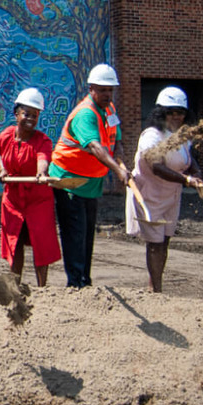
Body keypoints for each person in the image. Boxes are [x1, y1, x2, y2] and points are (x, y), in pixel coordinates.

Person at [49, 63, 129, 288]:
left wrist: (122, 163)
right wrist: (117, 170)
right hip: (69, 182)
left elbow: (116, 141)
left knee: (87, 233)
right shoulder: (86, 113)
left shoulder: (109, 110)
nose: (107, 94)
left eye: (110, 90)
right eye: (102, 89)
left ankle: (85, 279)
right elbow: (96, 147)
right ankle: (76, 284)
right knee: (75, 233)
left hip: (91, 182)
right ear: (91, 89)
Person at [127, 87, 203, 292]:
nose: (176, 116)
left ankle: (156, 285)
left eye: (180, 112)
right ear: (161, 112)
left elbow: (188, 159)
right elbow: (157, 167)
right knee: (154, 242)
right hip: (150, 194)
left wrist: (196, 172)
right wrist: (187, 180)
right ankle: (156, 289)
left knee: (165, 240)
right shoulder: (151, 136)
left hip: (172, 195)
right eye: (171, 112)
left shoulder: (181, 136)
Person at [0, 87, 61, 287]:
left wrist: (42, 173)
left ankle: (42, 287)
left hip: (37, 199)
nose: (31, 119)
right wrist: (2, 170)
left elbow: (43, 158)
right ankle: (15, 284)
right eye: (26, 114)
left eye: (35, 115)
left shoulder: (43, 141)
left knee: (41, 242)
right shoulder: (5, 136)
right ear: (16, 114)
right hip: (13, 198)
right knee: (14, 241)